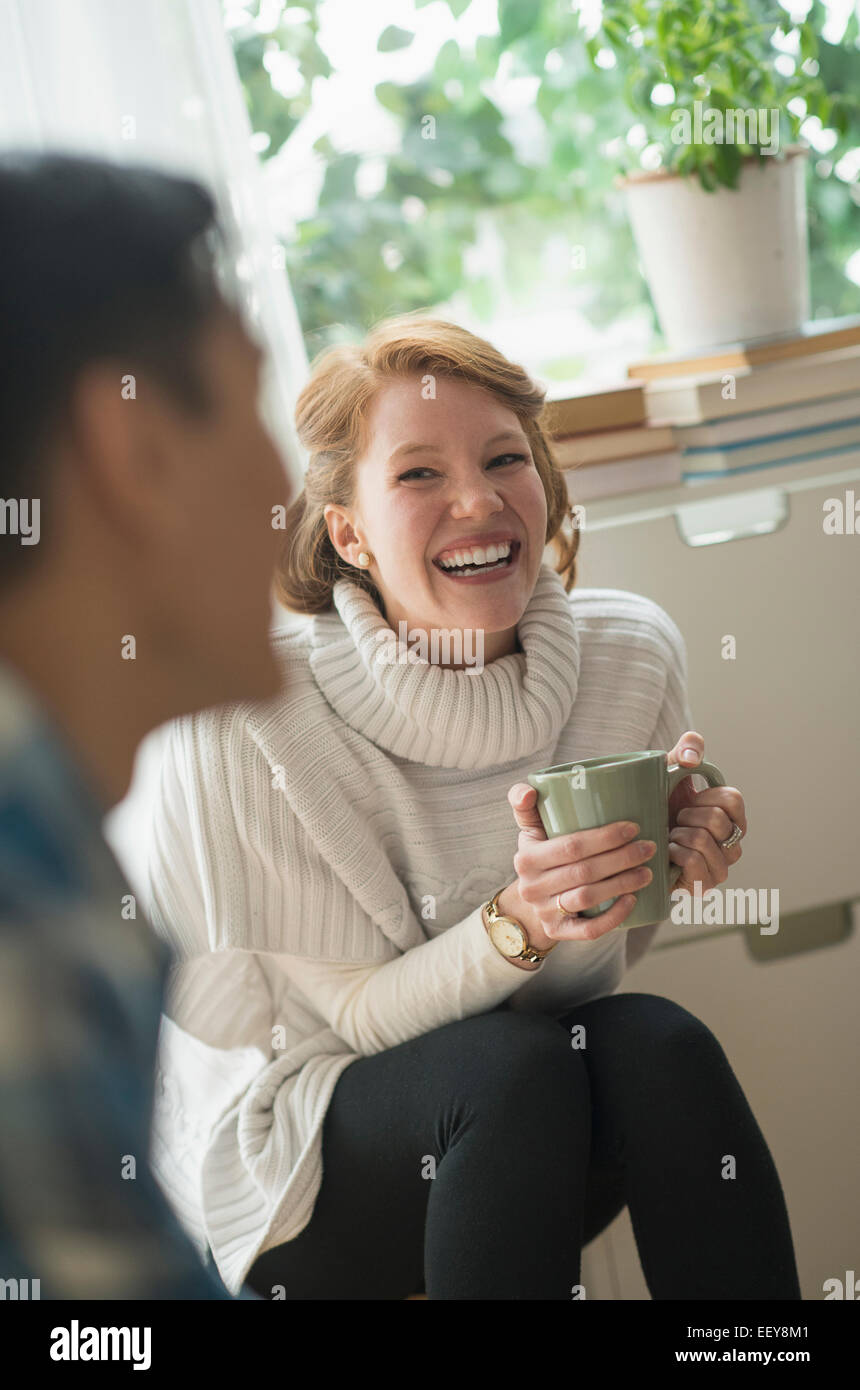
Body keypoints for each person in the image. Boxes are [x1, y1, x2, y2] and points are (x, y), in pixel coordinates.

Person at [143, 313, 801, 1300]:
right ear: (348, 531)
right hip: (299, 1153)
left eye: (505, 458)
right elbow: (360, 1019)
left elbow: (578, 988)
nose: (477, 499)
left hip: (520, 1115)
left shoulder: (627, 655)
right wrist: (519, 922)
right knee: (507, 1069)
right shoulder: (251, 715)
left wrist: (646, 864)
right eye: (416, 474)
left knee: (657, 1044)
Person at [0, 151, 292, 1298]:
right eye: (256, 401)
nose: (288, 485)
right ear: (137, 451)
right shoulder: (21, 918)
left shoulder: (56, 857)